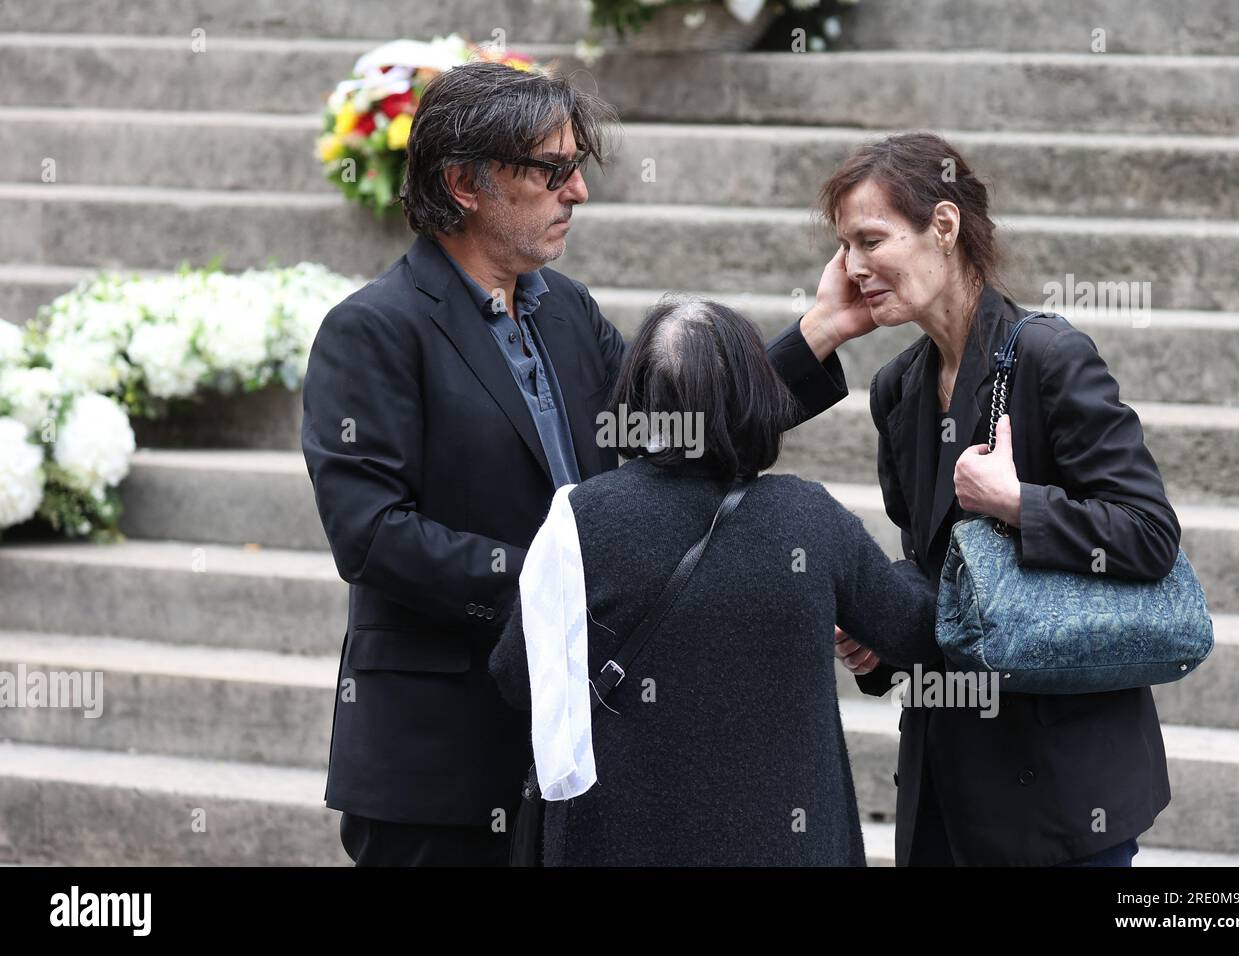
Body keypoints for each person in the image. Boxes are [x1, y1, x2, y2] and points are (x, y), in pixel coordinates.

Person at [301, 63, 855, 866]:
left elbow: (682, 427)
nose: (578, 192)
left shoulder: (566, 307)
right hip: (440, 759)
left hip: (576, 749)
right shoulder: (373, 330)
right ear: (464, 182)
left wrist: (820, 333)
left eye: (577, 168)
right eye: (553, 170)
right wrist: (554, 588)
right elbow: (374, 536)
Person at [805, 132, 1181, 866]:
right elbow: (937, 573)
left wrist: (1017, 503)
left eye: (870, 240)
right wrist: (880, 642)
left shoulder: (1048, 355)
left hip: (1060, 789)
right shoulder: (897, 387)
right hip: (946, 783)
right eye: (843, 246)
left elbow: (1147, 534)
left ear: (943, 227)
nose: (852, 268)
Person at [488, 297, 938, 866]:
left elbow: (517, 674)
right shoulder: (808, 518)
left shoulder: (582, 519)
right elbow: (915, 628)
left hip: (620, 843)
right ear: (757, 397)